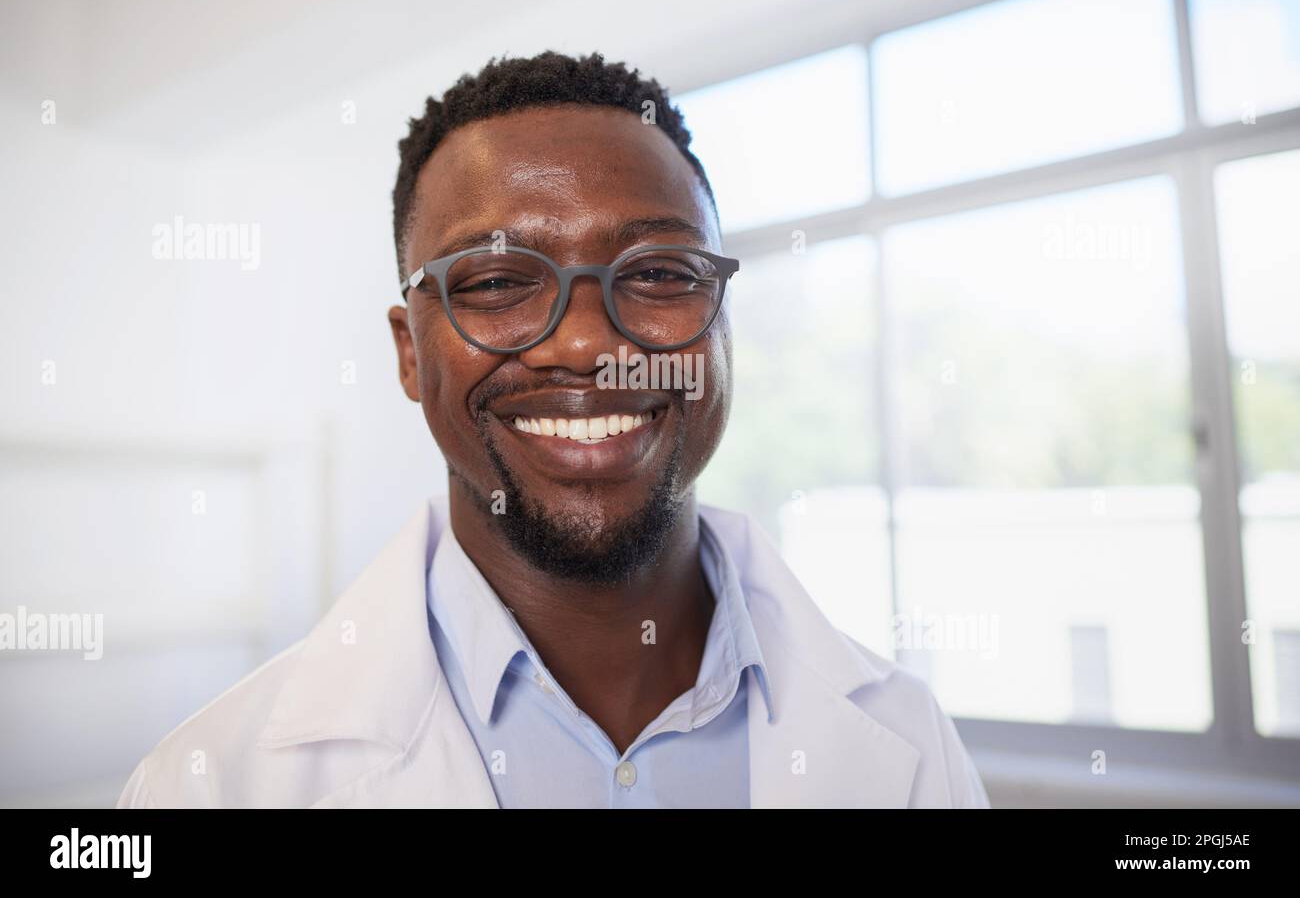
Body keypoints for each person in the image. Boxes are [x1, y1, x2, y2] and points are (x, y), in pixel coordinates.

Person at [117, 50, 990, 808]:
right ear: (410, 354)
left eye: (656, 271)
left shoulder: (909, 742)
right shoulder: (207, 786)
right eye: (496, 282)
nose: (586, 342)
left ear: (723, 323)